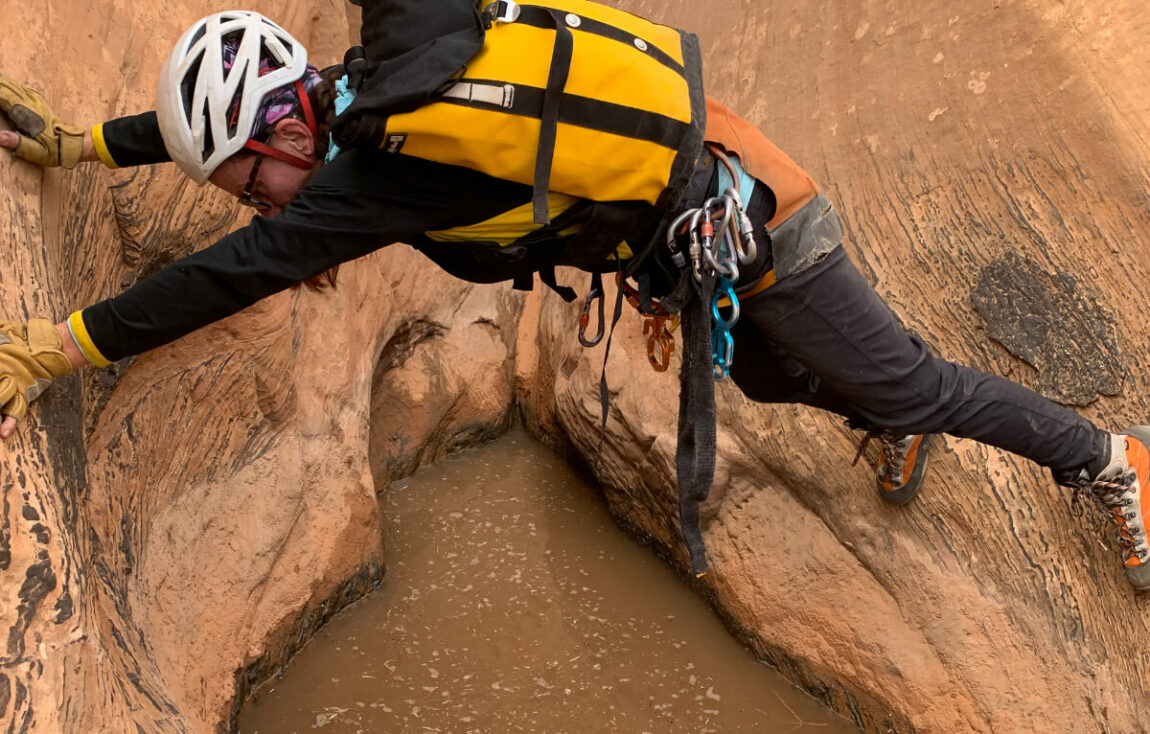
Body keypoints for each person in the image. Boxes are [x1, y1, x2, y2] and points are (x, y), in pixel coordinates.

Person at [0, 2, 1147, 591]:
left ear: (287, 126)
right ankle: (881, 406)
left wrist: (66, 345)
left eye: (250, 178)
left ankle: (1110, 458)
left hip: (762, 234)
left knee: (907, 378)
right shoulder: (370, 76)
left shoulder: (382, 169)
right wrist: (82, 144)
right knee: (766, 371)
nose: (257, 205)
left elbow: (228, 275)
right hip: (706, 208)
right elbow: (222, 162)